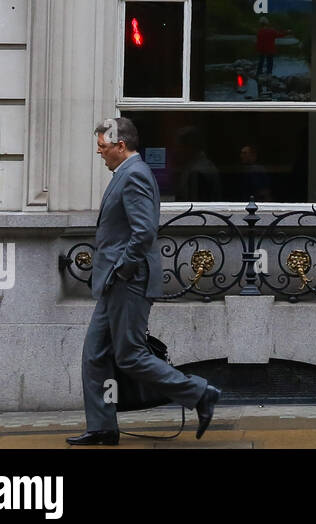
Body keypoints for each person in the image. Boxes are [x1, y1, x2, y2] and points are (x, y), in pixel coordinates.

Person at [67, 117, 222, 446]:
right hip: (115, 282)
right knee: (94, 355)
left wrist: (121, 270)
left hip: (129, 280)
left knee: (131, 355)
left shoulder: (135, 174)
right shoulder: (124, 173)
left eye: (103, 148)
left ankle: (199, 393)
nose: (100, 154)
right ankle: (103, 426)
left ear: (120, 146)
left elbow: (143, 232)